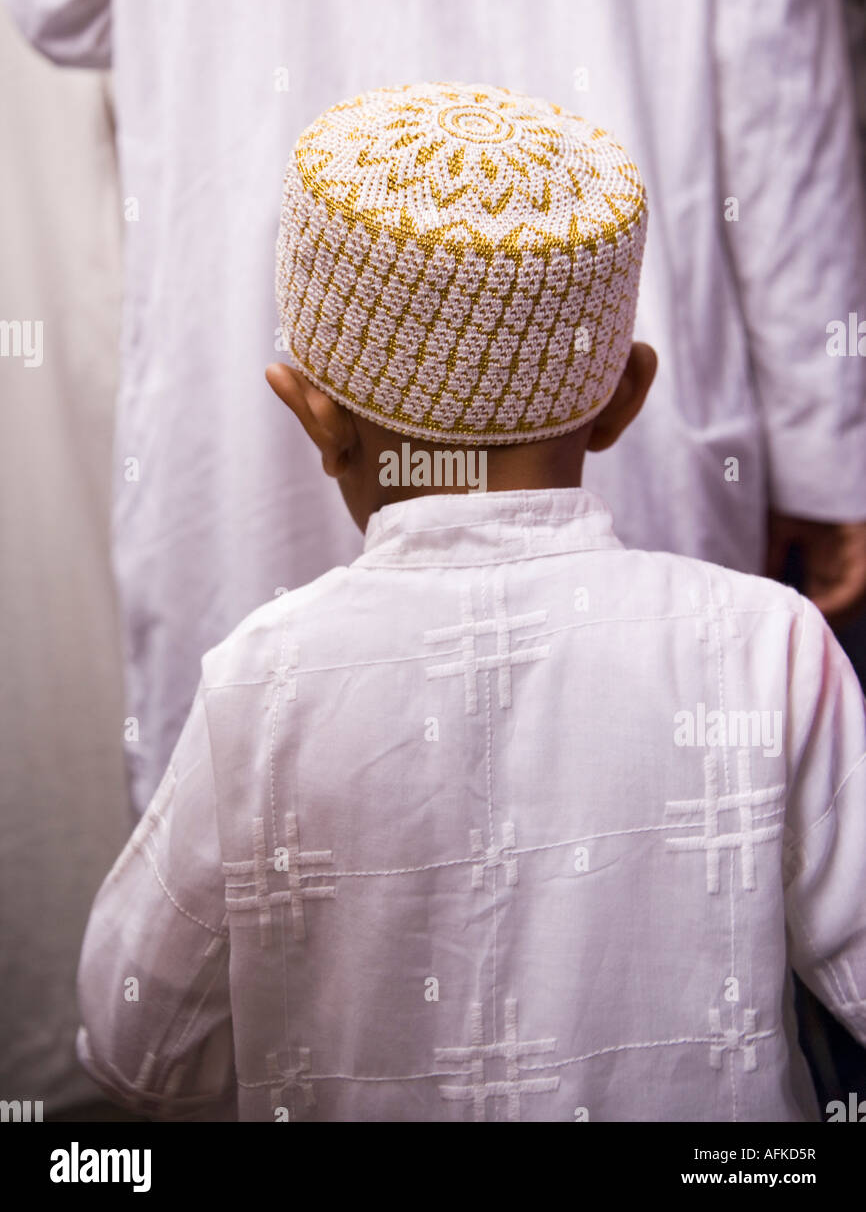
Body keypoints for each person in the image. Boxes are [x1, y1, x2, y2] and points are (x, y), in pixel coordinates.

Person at [6, 0, 866, 818]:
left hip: (271, 350)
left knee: (272, 850)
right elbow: (771, 56)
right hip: (595, 345)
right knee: (631, 841)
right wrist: (821, 438)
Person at [74, 83, 866, 1122]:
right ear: (623, 397)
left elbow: (133, 1042)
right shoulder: (767, 647)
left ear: (315, 416)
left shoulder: (261, 685)